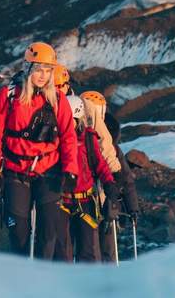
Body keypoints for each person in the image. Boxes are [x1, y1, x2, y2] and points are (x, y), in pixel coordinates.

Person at [0, 42, 79, 259]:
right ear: (28, 69)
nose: (43, 76)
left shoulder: (58, 99)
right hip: (15, 171)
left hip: (49, 172)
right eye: (39, 70)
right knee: (19, 232)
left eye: (48, 71)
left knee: (49, 233)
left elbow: (68, 137)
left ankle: (43, 280)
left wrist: (70, 170)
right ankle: (21, 278)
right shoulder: (8, 96)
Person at [57, 93, 119, 263]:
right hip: (61, 203)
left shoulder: (89, 140)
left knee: (89, 252)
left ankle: (89, 287)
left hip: (86, 203)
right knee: (63, 253)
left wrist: (110, 185)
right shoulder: (55, 141)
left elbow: (100, 166)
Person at [89, 92, 140, 263]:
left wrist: (132, 207)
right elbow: (126, 179)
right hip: (97, 202)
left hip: (106, 203)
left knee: (105, 248)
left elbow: (125, 179)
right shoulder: (87, 141)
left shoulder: (112, 148)